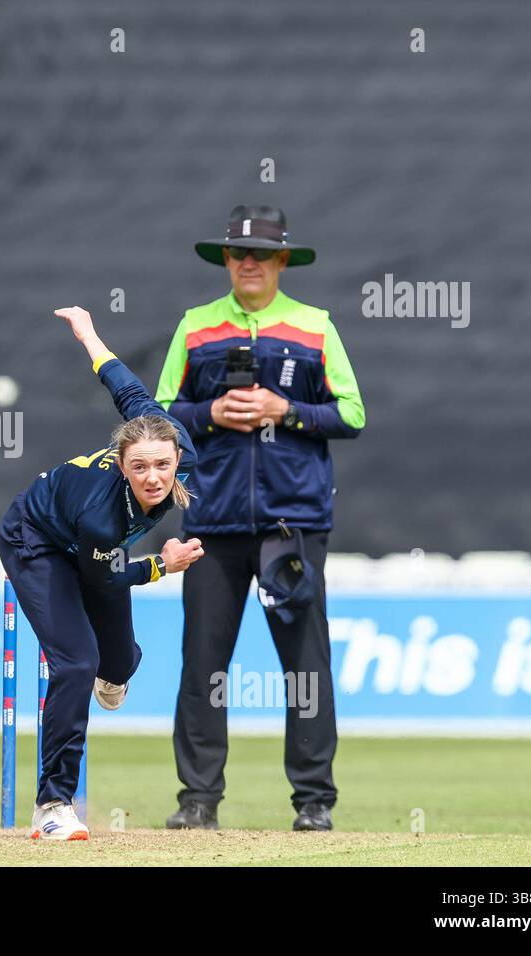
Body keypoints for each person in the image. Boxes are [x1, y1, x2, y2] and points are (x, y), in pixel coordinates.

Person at [155, 205, 366, 832]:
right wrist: (212, 413)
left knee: (305, 667)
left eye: (261, 253)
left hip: (290, 524)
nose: (248, 262)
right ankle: (197, 801)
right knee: (202, 665)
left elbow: (351, 413)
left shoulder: (314, 326)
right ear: (226, 259)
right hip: (211, 523)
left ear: (282, 260)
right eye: (238, 252)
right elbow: (162, 412)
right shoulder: (195, 327)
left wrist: (288, 409)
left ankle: (313, 803)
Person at [0, 306, 206, 841]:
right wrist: (164, 563)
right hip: (38, 541)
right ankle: (53, 805)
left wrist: (89, 334)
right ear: (120, 465)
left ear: (177, 454)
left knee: (119, 665)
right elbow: (106, 579)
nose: (154, 477)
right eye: (139, 467)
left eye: (163, 465)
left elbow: (127, 389)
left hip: (97, 552)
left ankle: (108, 673)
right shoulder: (101, 514)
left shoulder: (171, 442)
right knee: (77, 661)